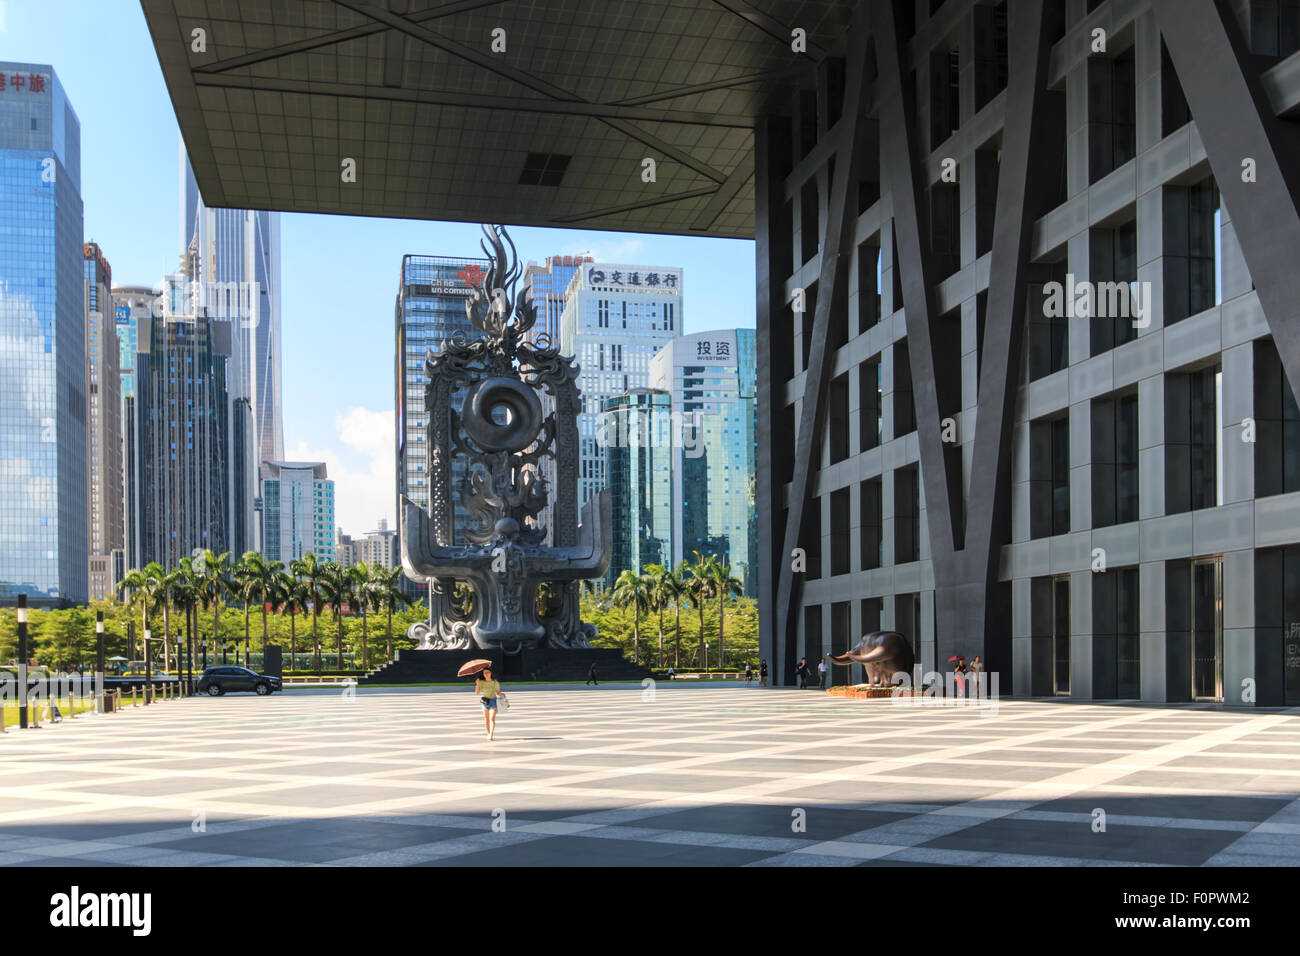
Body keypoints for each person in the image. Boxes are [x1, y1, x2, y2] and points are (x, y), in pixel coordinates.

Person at [475, 666, 505, 741]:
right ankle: (488, 733)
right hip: (485, 702)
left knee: (492, 718)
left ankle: (491, 734)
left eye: (487, 672)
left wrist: (502, 694)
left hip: (493, 701)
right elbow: (477, 693)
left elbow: (498, 692)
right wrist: (477, 684)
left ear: (490, 673)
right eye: (484, 673)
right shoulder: (481, 682)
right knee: (486, 719)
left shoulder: (495, 682)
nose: (486, 674)